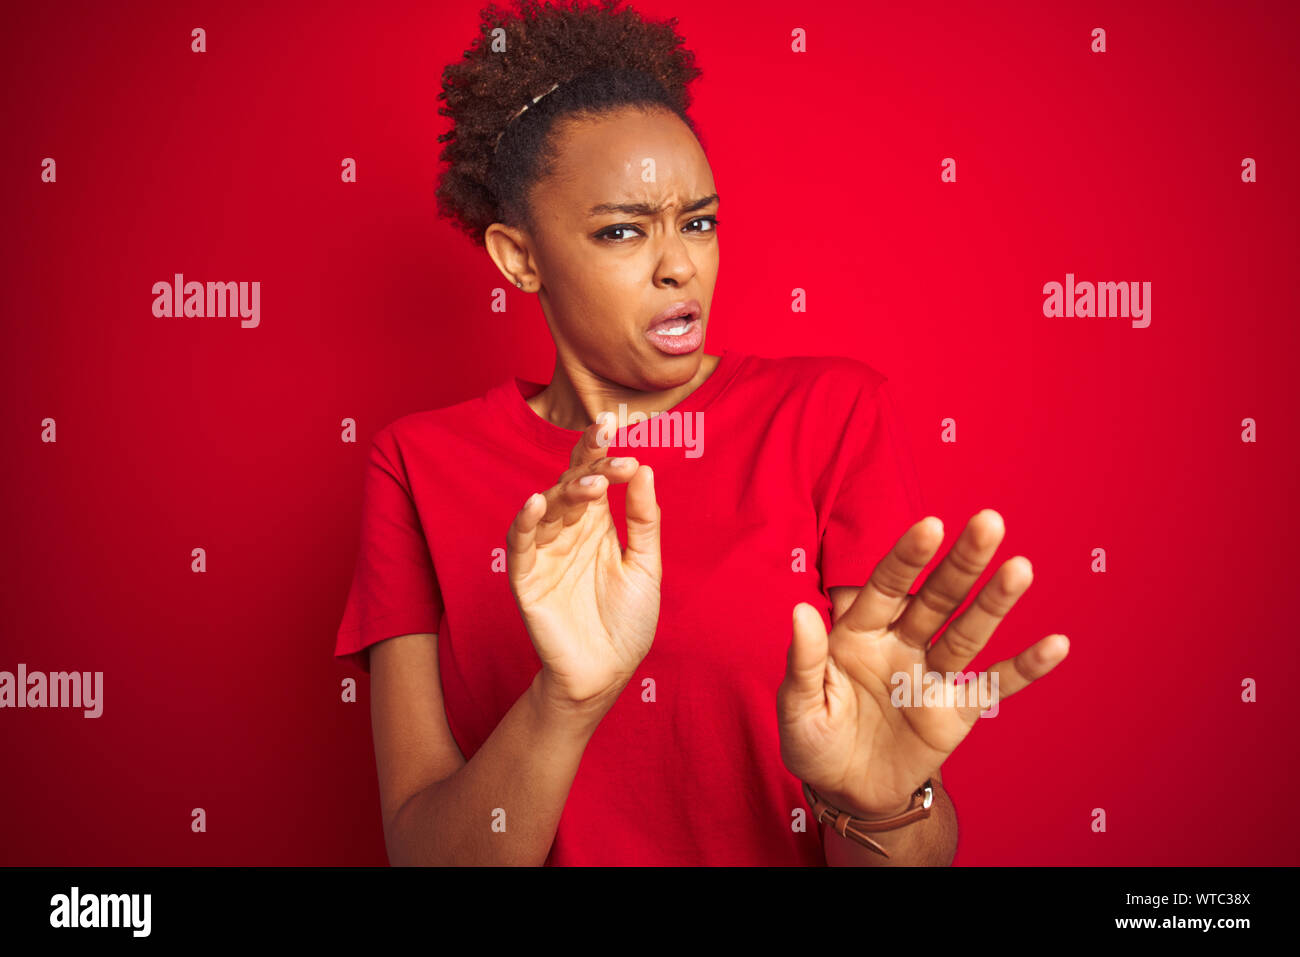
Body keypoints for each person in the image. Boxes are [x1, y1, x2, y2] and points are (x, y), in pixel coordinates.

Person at [334, 0, 1069, 866]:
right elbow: (425, 857)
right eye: (622, 231)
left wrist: (875, 796)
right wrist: (565, 699)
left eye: (700, 220)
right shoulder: (418, 463)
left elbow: (911, 846)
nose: (680, 264)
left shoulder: (830, 415)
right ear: (518, 257)